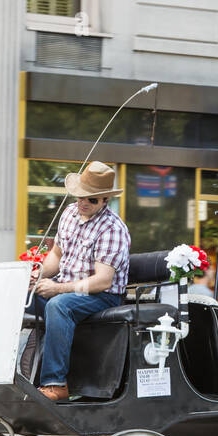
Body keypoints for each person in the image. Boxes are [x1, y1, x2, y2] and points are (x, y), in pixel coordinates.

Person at [26, 161, 131, 401]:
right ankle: (9, 371)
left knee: (59, 305)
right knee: (19, 298)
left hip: (101, 297)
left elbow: (103, 281)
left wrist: (58, 289)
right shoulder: (69, 214)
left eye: (92, 200)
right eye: (80, 196)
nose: (83, 202)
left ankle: (55, 384)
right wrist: (39, 275)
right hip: (67, 288)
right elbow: (57, 255)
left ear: (105, 200)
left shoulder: (112, 229)